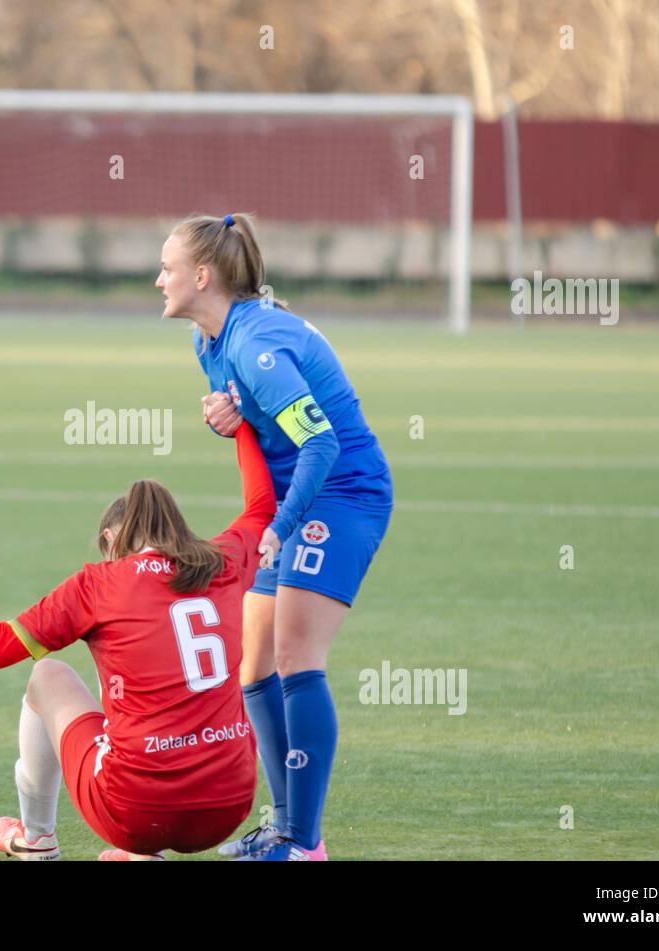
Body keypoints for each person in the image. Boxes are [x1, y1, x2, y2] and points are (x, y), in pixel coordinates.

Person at [0, 424, 275, 860]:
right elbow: (262, 508)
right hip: (227, 806)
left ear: (109, 539)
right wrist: (240, 428)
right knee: (137, 690)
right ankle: (142, 854)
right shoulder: (222, 560)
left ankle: (37, 841)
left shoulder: (99, 585)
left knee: (48, 674)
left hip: (135, 813)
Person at [156, 212, 393, 861]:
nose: (158, 280)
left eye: (167, 268)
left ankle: (305, 844)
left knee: (294, 654)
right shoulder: (210, 342)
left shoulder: (255, 343)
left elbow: (321, 441)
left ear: (202, 276)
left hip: (340, 493)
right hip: (300, 498)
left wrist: (279, 527)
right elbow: (262, 423)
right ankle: (285, 828)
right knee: (252, 659)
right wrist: (227, 420)